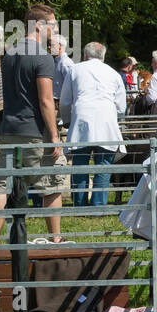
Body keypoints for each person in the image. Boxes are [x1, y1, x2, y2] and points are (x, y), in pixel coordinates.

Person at [0, 4, 66, 246]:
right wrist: (54, 136)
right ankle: (55, 238)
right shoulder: (42, 57)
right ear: (39, 26)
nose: (55, 29)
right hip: (33, 131)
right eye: (52, 24)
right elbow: (45, 100)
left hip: (7, 129)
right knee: (53, 182)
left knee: (4, 183)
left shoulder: (9, 54)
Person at [60, 41, 126, 207]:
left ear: (84, 55)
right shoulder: (113, 74)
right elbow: (121, 106)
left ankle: (79, 205)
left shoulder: (75, 70)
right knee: (103, 166)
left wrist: (67, 121)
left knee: (80, 165)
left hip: (81, 122)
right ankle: (98, 206)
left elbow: (65, 101)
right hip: (106, 123)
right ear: (103, 56)